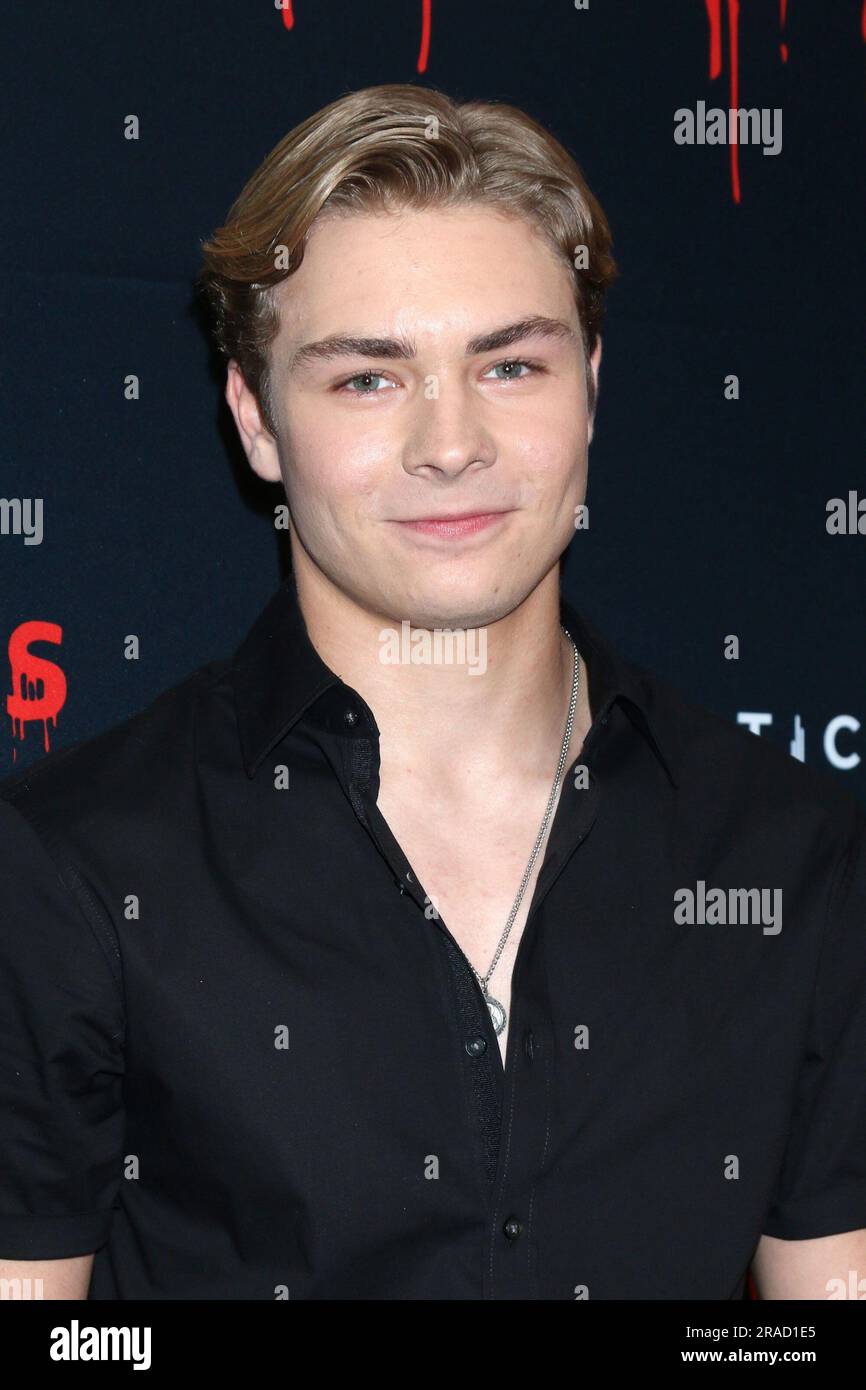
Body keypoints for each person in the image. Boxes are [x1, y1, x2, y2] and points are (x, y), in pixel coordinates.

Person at [1, 84, 864, 1302]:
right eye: (367, 378)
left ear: (589, 386)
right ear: (255, 421)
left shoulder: (788, 850)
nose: (449, 441)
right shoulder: (73, 867)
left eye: (508, 364)